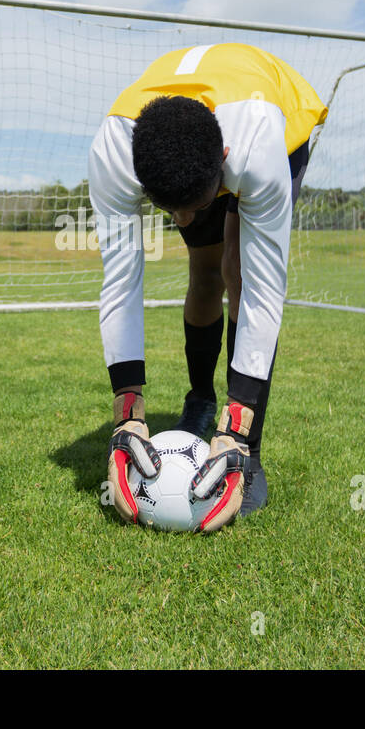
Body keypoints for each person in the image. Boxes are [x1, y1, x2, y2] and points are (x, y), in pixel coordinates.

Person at [88, 42, 326, 532]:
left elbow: (264, 293)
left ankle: (246, 446)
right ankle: (200, 400)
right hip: (182, 133)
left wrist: (237, 435)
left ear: (222, 159)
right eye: (168, 210)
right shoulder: (114, 152)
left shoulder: (257, 146)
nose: (181, 220)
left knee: (238, 270)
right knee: (204, 271)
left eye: (193, 206)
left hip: (278, 117)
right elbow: (120, 286)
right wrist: (125, 417)